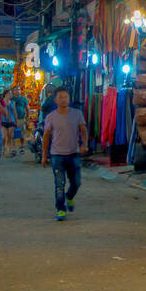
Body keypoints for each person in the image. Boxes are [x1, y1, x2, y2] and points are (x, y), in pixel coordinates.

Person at [41, 86, 88, 221]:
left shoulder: (77, 114)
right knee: (59, 185)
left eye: (65, 97)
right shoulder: (51, 117)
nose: (63, 100)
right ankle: (60, 209)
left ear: (69, 98)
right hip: (57, 155)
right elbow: (46, 136)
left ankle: (70, 196)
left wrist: (84, 144)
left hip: (73, 153)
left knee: (76, 182)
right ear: (55, 100)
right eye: (60, 97)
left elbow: (83, 130)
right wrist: (44, 155)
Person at [10, 87, 28, 156]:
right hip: (12, 120)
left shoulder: (23, 99)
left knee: (22, 134)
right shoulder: (11, 99)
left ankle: (22, 147)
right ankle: (13, 148)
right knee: (12, 135)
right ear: (13, 91)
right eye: (16, 90)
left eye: (18, 89)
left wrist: (26, 118)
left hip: (21, 118)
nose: (17, 91)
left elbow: (27, 108)